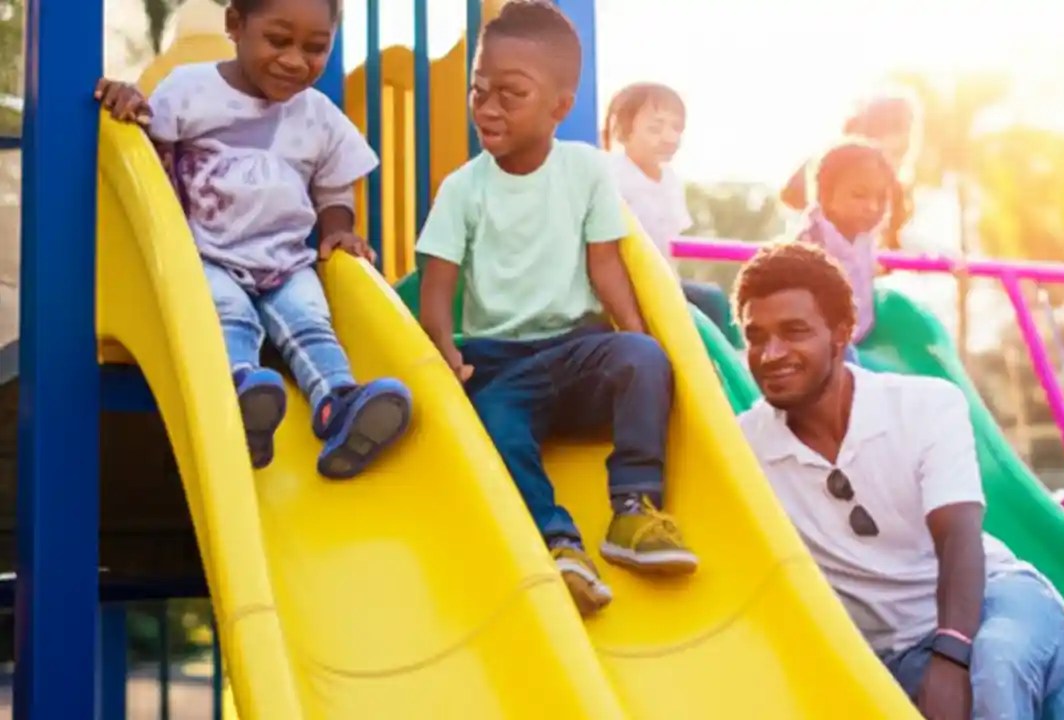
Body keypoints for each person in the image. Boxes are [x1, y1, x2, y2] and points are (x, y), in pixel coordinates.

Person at [732, 242, 1064, 719]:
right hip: (902, 653)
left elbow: (959, 536)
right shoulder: (746, 447)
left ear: (842, 333)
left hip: (1000, 604)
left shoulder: (926, 405)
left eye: (794, 332)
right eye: (756, 336)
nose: (771, 354)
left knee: (995, 669)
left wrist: (951, 658)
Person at [416, 0, 697, 618]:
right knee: (494, 424)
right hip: (498, 364)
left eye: (510, 95)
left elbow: (607, 267)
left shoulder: (587, 171)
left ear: (559, 107)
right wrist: (445, 350)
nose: (488, 108)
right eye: (479, 91)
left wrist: (648, 343)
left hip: (575, 351)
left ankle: (632, 510)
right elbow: (437, 290)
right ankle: (556, 540)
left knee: (641, 358)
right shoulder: (463, 188)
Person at [94, 0, 413, 479]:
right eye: (278, 40)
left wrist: (338, 232)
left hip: (286, 262)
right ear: (235, 25)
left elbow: (333, 186)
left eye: (315, 47)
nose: (294, 60)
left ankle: (337, 403)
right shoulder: (189, 89)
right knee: (227, 313)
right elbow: (144, 143)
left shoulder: (318, 115)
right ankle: (242, 396)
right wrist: (129, 103)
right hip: (207, 255)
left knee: (310, 320)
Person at [602, 81, 743, 348]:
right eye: (655, 128)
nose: (669, 136)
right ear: (622, 132)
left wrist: (672, 287)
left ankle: (732, 368)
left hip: (661, 281)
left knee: (713, 300)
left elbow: (666, 244)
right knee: (706, 305)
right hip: (629, 285)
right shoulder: (613, 176)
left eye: (676, 128)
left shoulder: (668, 179)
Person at [792, 137, 905, 363]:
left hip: (857, 335)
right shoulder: (813, 239)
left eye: (881, 198)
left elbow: (913, 244)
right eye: (859, 195)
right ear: (826, 197)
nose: (872, 207)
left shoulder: (863, 235)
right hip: (821, 343)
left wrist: (948, 258)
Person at [779, 86, 922, 211]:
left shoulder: (901, 192)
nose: (907, 140)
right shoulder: (828, 166)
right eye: (898, 126)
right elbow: (790, 200)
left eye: (909, 129)